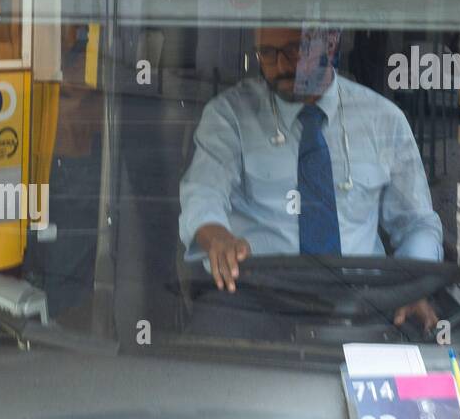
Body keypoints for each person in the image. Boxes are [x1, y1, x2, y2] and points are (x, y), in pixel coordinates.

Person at [179, 25, 443, 330]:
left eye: (295, 51)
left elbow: (417, 222)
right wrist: (217, 237)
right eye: (267, 53)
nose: (279, 66)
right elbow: (204, 192)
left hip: (363, 307)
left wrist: (412, 286)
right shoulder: (230, 115)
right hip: (252, 302)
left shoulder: (384, 120)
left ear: (331, 44)